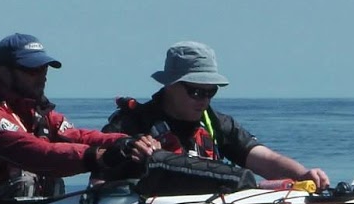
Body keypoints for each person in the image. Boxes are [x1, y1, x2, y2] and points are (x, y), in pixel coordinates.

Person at [0, 34, 159, 201]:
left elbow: (78, 136)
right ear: (4, 73)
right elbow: (33, 153)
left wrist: (126, 142)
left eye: (45, 69)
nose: (43, 76)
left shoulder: (37, 112)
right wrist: (98, 157)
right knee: (28, 173)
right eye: (33, 70)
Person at [104, 41, 331, 189]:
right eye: (195, 91)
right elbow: (100, 164)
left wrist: (303, 175)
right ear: (170, 86)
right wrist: (129, 149)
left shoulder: (215, 123)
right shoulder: (131, 123)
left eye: (210, 91)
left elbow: (263, 158)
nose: (204, 99)